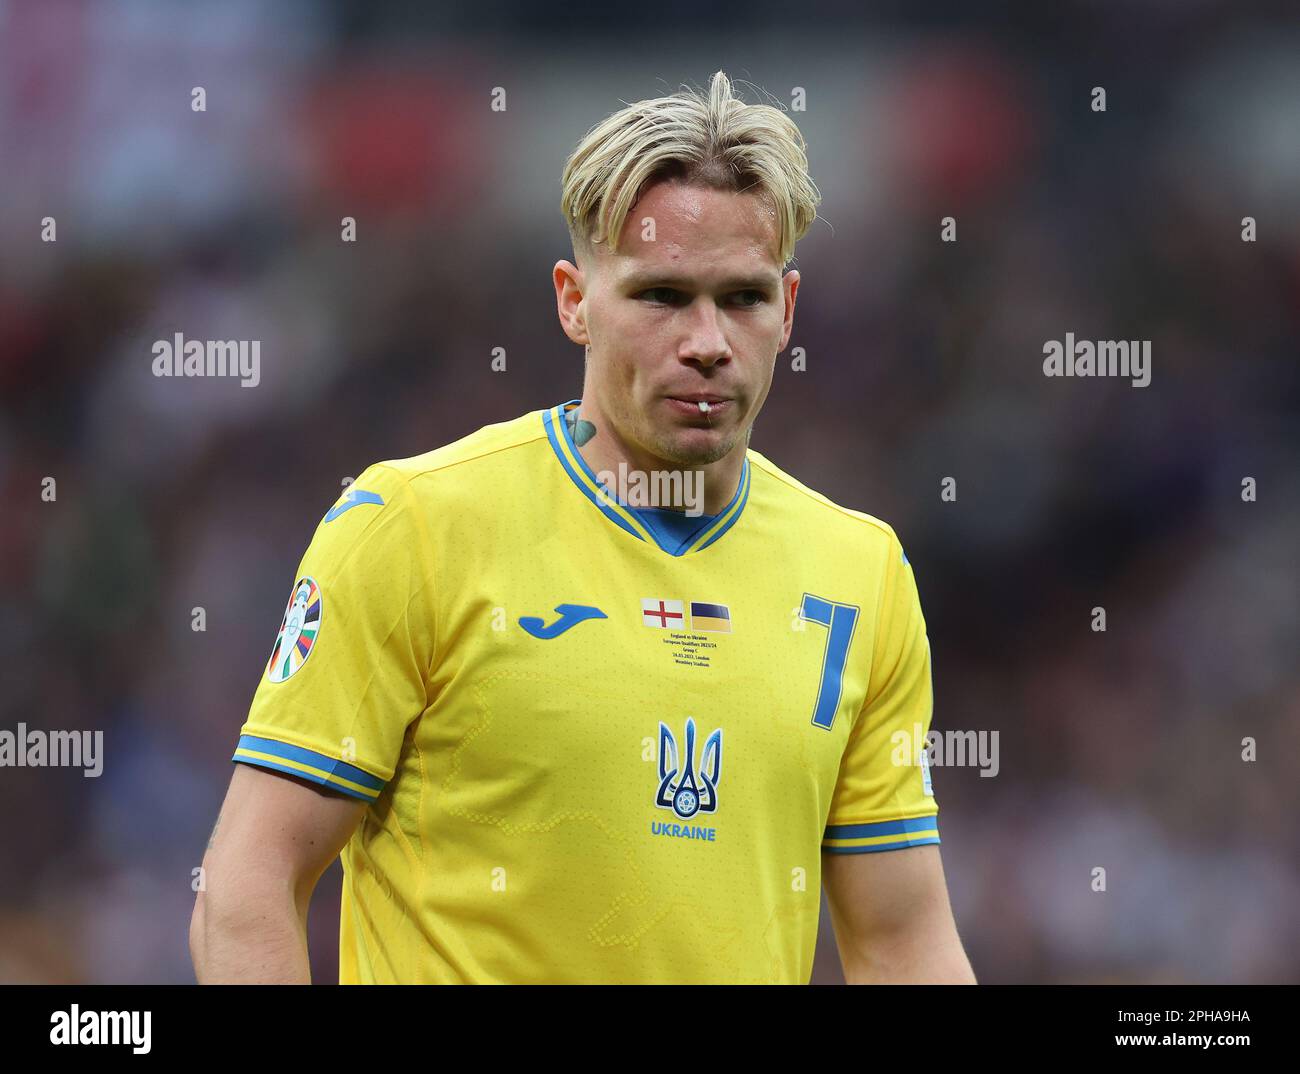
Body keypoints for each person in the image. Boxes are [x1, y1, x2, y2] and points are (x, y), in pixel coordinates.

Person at [190, 70, 975, 984]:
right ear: (574, 300)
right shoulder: (413, 525)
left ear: (788, 311)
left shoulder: (860, 573)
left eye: (744, 299)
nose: (708, 341)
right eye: (661, 296)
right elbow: (247, 883)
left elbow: (903, 941)